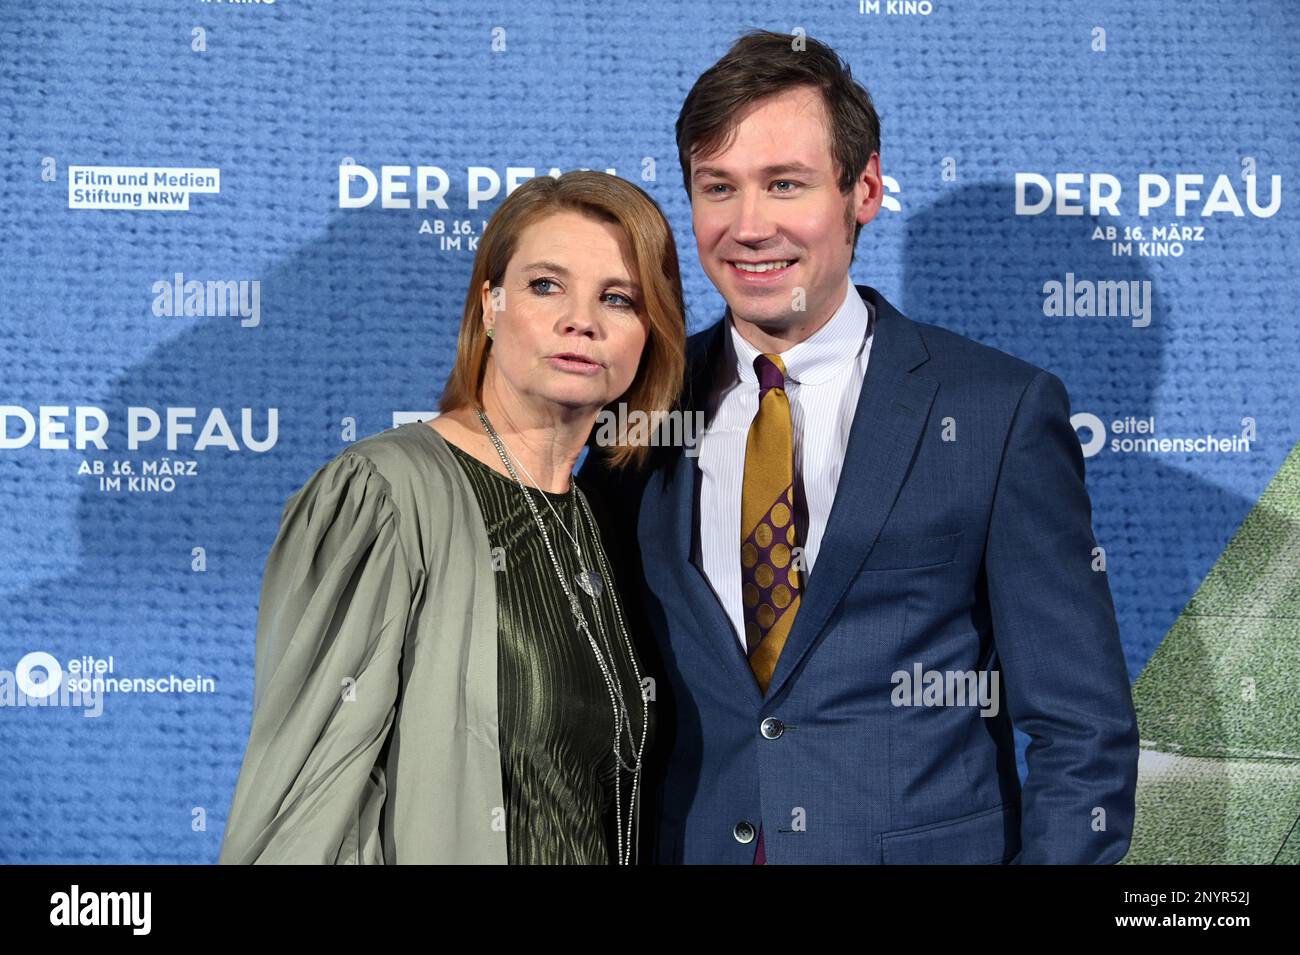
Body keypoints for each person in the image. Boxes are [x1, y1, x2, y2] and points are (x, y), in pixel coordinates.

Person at [581, 30, 1139, 864]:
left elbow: (1081, 731)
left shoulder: (997, 412)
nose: (748, 226)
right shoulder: (636, 404)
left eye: (785, 185)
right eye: (718, 187)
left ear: (865, 189)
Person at [219, 170, 686, 864]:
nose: (581, 320)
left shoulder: (603, 518)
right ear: (490, 305)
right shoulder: (383, 495)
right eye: (546, 285)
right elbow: (305, 808)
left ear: (648, 334)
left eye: (617, 298)